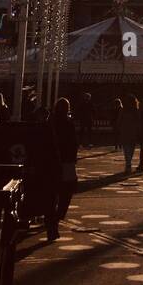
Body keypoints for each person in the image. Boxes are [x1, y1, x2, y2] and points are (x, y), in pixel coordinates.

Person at [48, 97, 79, 238]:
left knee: (52, 192)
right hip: (66, 162)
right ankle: (57, 217)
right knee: (67, 191)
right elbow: (73, 143)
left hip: (51, 162)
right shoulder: (68, 124)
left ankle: (51, 219)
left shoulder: (50, 123)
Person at [117, 95, 140, 173]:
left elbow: (119, 120)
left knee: (126, 147)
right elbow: (138, 121)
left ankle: (128, 163)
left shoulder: (123, 110)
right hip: (133, 130)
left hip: (125, 130)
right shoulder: (136, 110)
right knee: (131, 147)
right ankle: (129, 162)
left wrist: (119, 127)